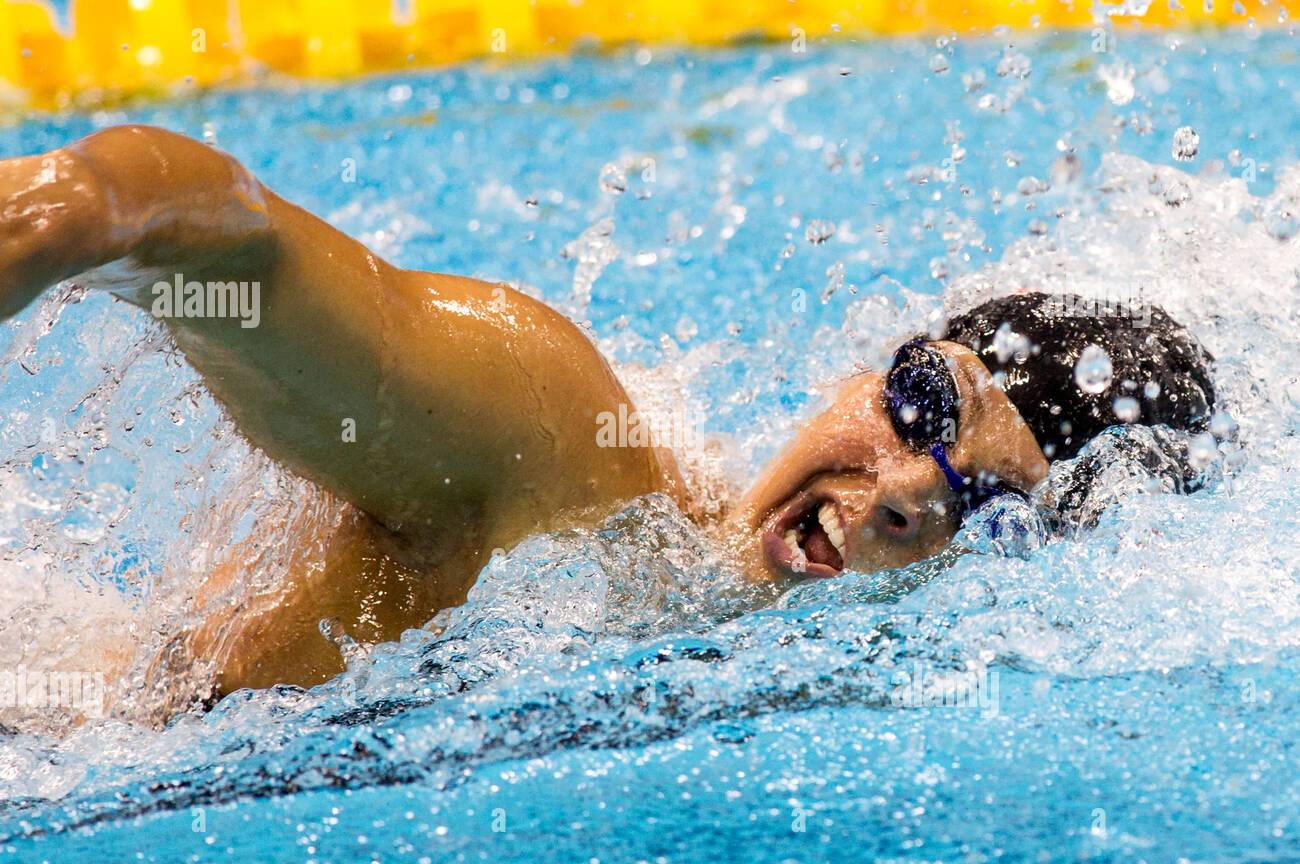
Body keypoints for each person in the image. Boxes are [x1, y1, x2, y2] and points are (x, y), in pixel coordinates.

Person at [0, 126, 1216, 697]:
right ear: (867, 364)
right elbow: (243, 244)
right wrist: (72, 216)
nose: (905, 492)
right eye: (917, 405)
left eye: (987, 505)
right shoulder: (568, 451)